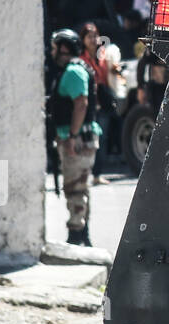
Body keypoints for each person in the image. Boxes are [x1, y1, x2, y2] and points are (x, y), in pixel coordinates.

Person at [47, 29, 102, 246]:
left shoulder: (72, 72)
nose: (51, 52)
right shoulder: (77, 69)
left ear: (63, 48)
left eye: (54, 47)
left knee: (75, 189)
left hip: (77, 142)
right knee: (81, 188)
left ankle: (76, 236)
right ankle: (82, 235)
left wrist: (71, 136)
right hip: (81, 138)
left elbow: (81, 104)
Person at [80, 23, 121, 185]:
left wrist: (114, 70)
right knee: (85, 139)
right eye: (89, 36)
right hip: (86, 103)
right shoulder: (80, 58)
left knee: (101, 139)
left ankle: (97, 175)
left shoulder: (104, 55)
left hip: (102, 103)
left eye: (95, 36)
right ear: (82, 39)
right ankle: (83, 173)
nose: (92, 39)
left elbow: (107, 77)